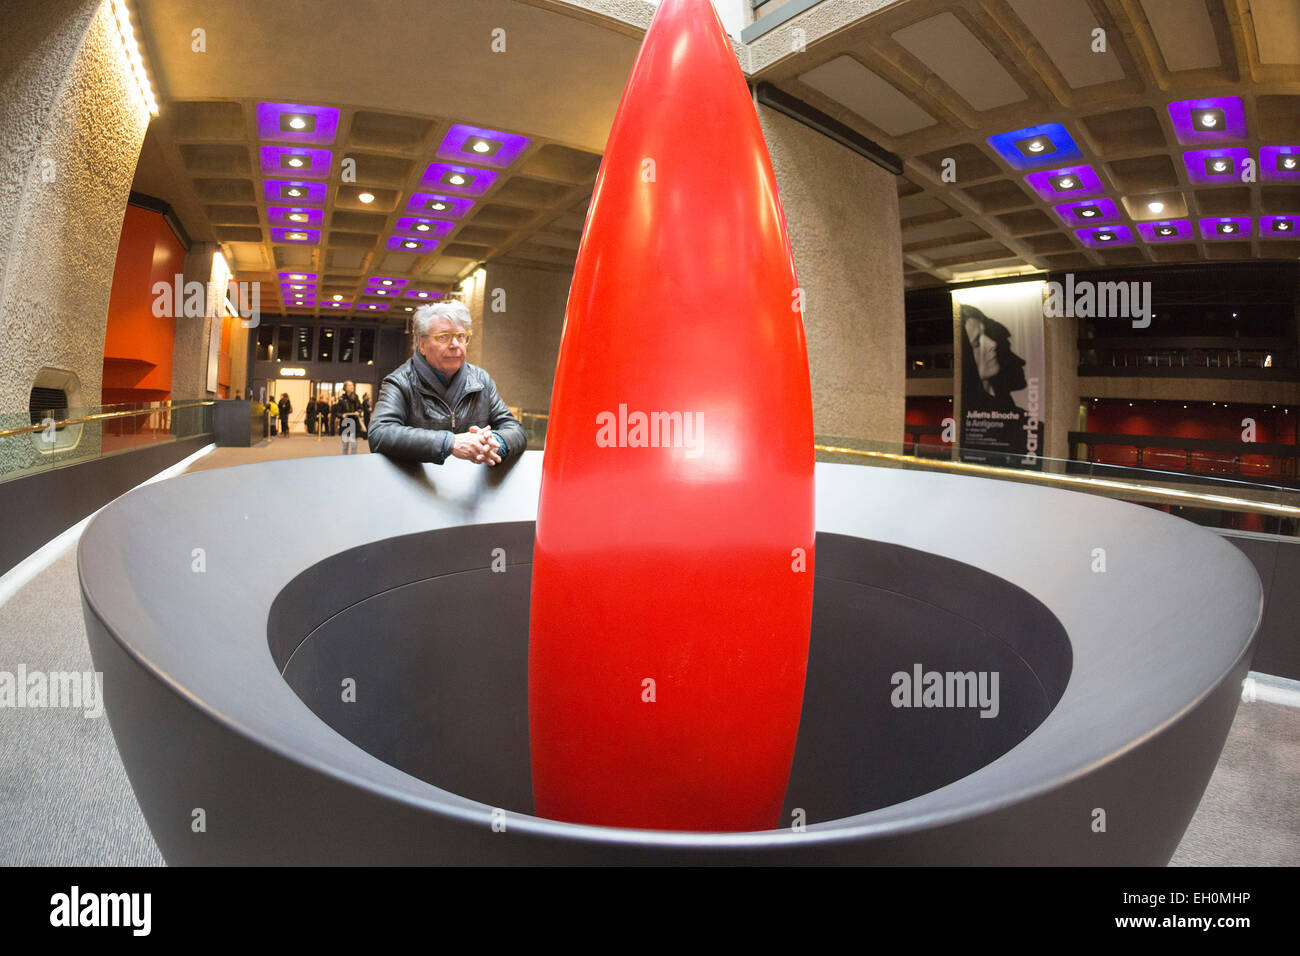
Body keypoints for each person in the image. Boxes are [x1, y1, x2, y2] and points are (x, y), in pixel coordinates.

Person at [368, 301, 525, 465]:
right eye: (443, 337)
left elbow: (515, 429)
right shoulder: (400, 382)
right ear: (422, 345)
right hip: (418, 484)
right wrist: (449, 443)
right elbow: (380, 433)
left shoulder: (481, 380)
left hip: (471, 484)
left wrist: (495, 442)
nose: (455, 345)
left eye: (460, 336)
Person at [336, 380, 364, 455]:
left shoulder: (356, 397)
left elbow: (360, 408)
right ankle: (345, 462)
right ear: (345, 387)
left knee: (354, 445)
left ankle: (353, 462)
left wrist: (358, 412)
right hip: (345, 425)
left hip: (354, 424)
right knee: (345, 446)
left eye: (352, 385)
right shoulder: (341, 399)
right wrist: (342, 415)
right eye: (350, 385)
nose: (352, 387)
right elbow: (337, 413)